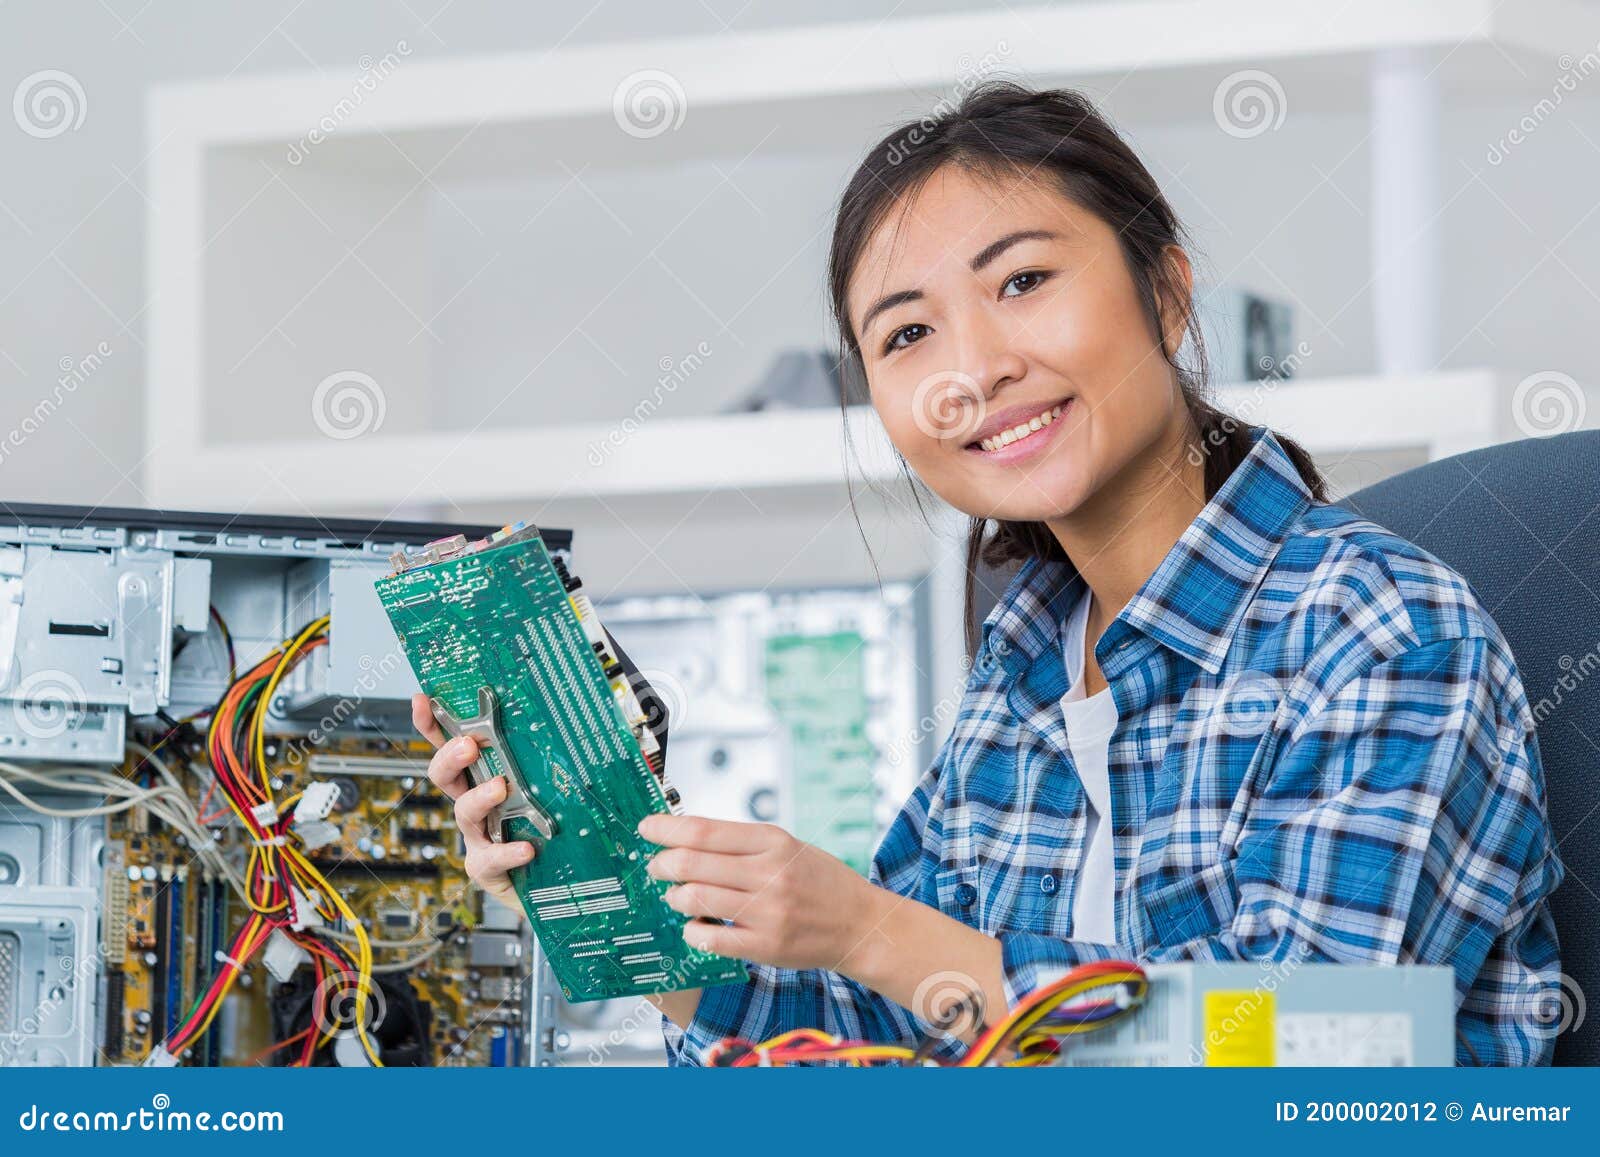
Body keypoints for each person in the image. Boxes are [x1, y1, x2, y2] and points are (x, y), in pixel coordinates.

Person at [414, 82, 1562, 1066]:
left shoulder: (1376, 624)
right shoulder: (1026, 673)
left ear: (1165, 290)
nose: (975, 370)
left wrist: (869, 929)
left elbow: (1313, 1052)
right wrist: (612, 892)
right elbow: (882, 1028)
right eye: (907, 335)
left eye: (1020, 282)